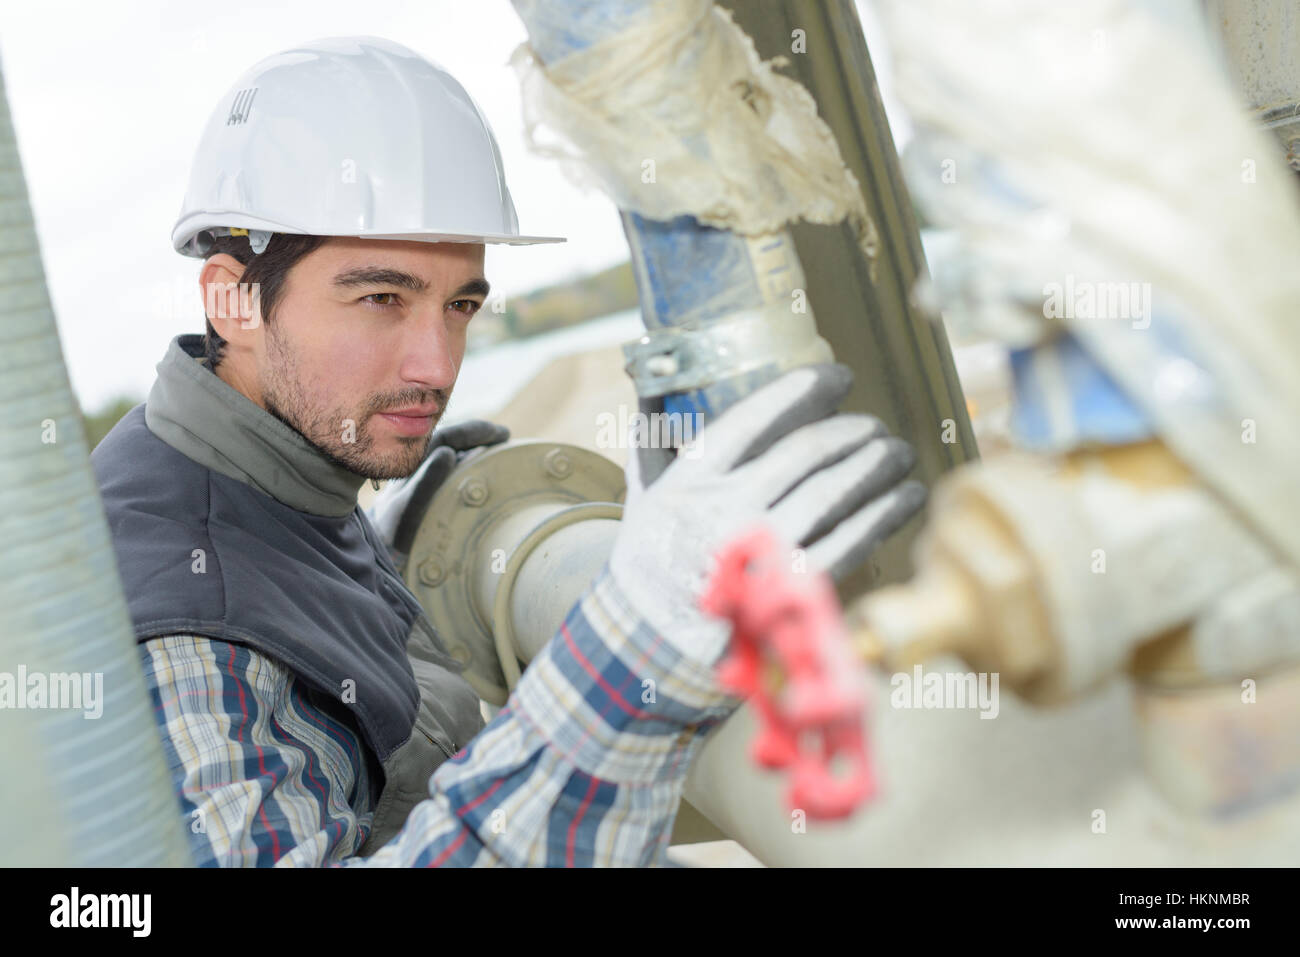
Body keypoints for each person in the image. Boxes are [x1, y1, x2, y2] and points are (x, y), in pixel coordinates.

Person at [91, 35, 925, 866]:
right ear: (232, 298)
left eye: (459, 305)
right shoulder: (175, 633)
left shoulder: (270, 475)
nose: (437, 363)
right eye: (382, 297)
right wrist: (639, 646)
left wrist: (382, 544)